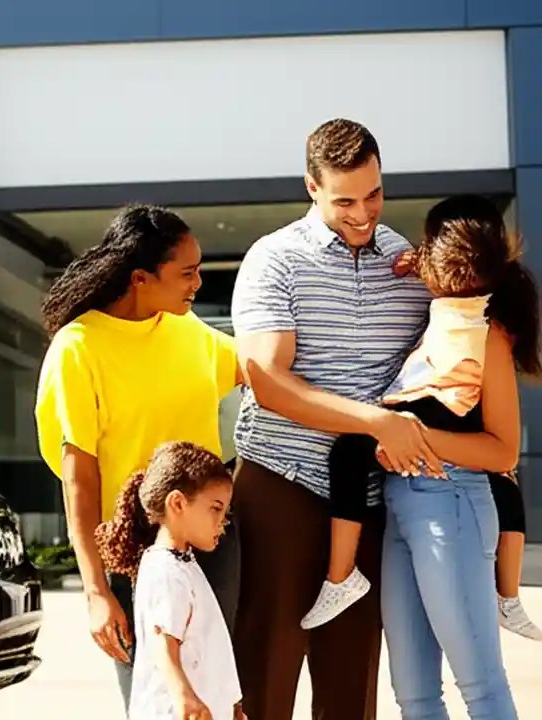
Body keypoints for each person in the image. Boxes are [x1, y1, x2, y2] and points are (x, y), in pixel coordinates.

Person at [229, 118, 436, 719]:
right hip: (281, 481)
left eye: (373, 194)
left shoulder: (407, 264)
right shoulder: (275, 260)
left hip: (370, 495)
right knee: (264, 671)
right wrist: (375, 423)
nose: (363, 211)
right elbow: (268, 384)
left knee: (352, 682)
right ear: (311, 187)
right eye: (345, 199)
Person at [300, 198, 542, 642]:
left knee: (349, 454)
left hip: (435, 402)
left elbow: (501, 447)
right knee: (504, 485)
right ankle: (508, 597)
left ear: (447, 254)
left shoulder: (488, 325)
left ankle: (341, 575)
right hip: (444, 405)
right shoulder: (481, 294)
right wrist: (412, 261)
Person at [35, 204, 243, 709]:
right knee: (157, 703)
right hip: (131, 552)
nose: (198, 283)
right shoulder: (78, 348)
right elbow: (79, 481)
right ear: (141, 279)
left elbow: (262, 370)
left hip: (213, 543)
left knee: (217, 696)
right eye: (186, 273)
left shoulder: (189, 330)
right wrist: (95, 592)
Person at [372, 195, 531, 718]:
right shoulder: (447, 313)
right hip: (401, 505)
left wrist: (408, 434)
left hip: (453, 502)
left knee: (481, 686)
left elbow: (503, 448)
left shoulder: (490, 335)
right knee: (413, 695)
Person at [95, 441, 244, 720]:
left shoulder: (182, 563)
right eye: (215, 508)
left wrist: (230, 706)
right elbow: (162, 639)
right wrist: (184, 695)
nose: (222, 522)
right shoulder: (167, 571)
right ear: (177, 503)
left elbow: (208, 645)